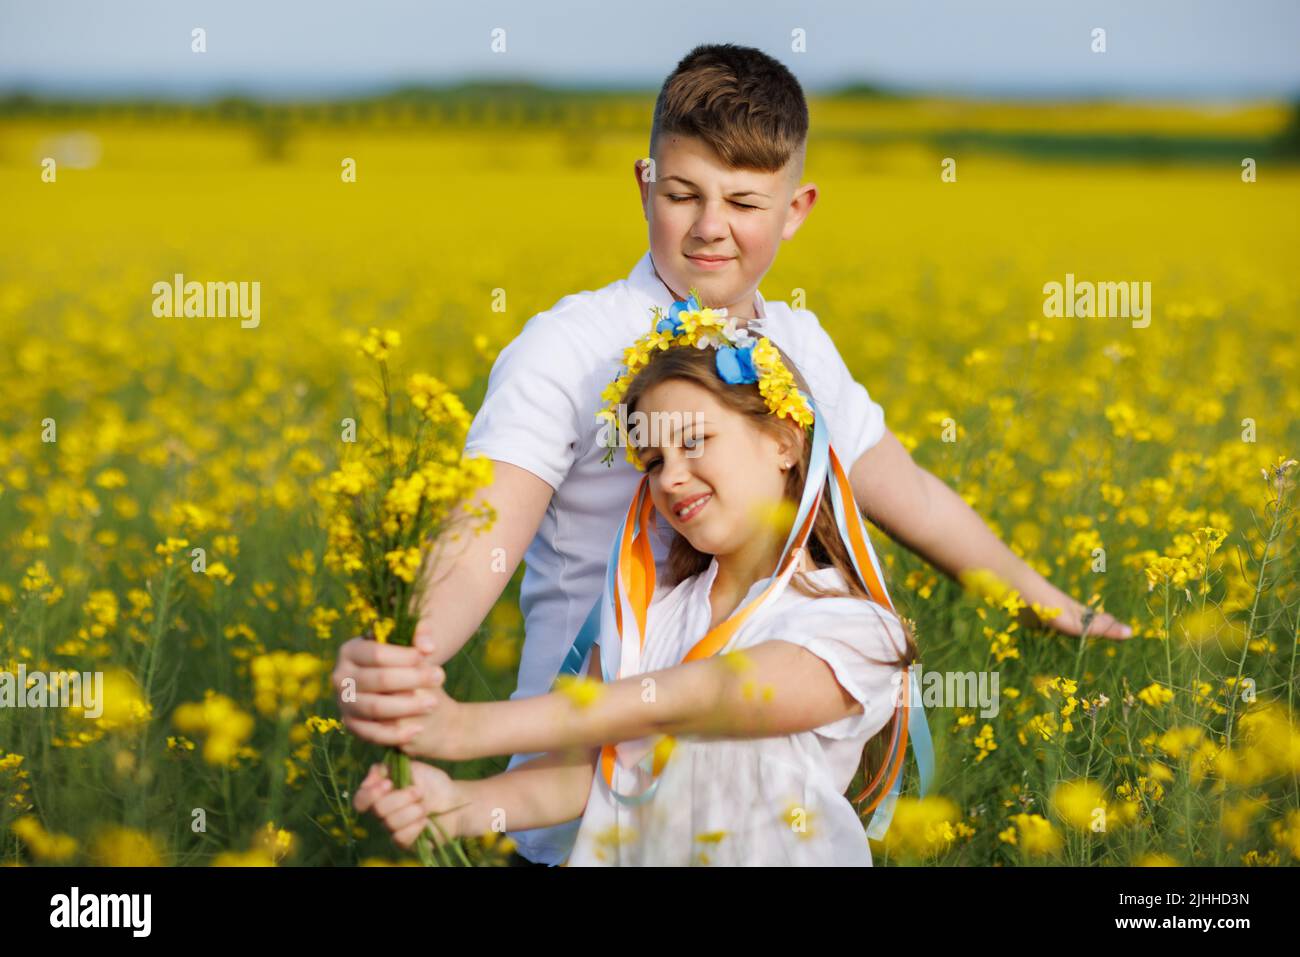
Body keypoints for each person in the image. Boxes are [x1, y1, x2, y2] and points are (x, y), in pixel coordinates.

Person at [333, 42, 1131, 866]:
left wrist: (1047, 603)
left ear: (796, 209)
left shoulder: (802, 351)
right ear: (645, 184)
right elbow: (484, 531)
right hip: (573, 811)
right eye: (682, 195)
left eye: (745, 201)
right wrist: (409, 661)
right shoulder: (567, 345)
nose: (710, 227)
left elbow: (913, 498)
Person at [354, 315, 925, 865]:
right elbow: (585, 774)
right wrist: (455, 804)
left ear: (783, 441)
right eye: (653, 461)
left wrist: (466, 729)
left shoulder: (857, 628)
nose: (670, 477)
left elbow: (695, 698)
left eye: (695, 441)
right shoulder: (644, 615)